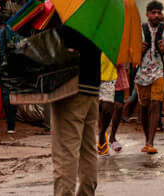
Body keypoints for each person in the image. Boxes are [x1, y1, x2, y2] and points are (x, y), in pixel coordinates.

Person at [52, 21, 105, 196]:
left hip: (72, 88)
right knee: (88, 149)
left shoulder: (71, 14)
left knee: (66, 152)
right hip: (92, 88)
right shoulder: (99, 13)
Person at [134, 0, 164, 154]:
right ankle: (147, 139)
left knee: (156, 103)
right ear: (147, 14)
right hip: (142, 72)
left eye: (159, 12)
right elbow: (129, 50)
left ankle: (150, 141)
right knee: (144, 106)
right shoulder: (138, 30)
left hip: (161, 70)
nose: (156, 15)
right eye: (153, 12)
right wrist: (138, 50)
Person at [97, 53, 117, 155]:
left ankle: (101, 133)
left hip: (109, 78)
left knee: (108, 109)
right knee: (98, 110)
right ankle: (101, 137)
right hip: (92, 76)